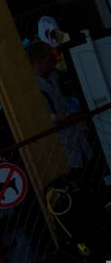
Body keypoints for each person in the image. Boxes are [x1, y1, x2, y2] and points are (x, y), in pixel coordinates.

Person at [26, 40, 92, 170]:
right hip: (59, 143)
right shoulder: (31, 87)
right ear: (39, 60)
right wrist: (56, 117)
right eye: (51, 56)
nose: (56, 60)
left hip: (75, 132)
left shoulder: (54, 76)